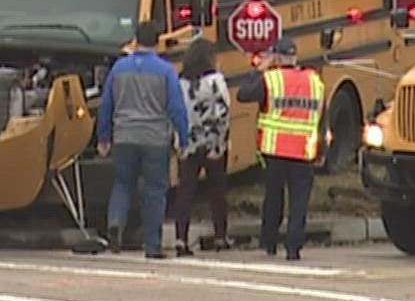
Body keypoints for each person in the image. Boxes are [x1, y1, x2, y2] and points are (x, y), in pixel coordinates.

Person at [97, 21, 189, 259]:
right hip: (154, 138)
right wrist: (184, 140)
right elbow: (177, 108)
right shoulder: (166, 71)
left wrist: (104, 137)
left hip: (124, 135)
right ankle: (152, 245)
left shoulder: (118, 69)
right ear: (157, 41)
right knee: (154, 191)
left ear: (135, 39)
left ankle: (116, 222)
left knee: (122, 184)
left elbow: (106, 104)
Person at [235, 36, 325, 261]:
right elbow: (321, 117)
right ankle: (293, 247)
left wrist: (259, 69)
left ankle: (269, 242)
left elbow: (243, 94)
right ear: (295, 56)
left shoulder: (271, 80)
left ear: (276, 56)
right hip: (303, 151)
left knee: (274, 197)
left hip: (274, 150)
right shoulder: (314, 81)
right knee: (299, 201)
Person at [173, 37, 232, 257]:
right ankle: (220, 235)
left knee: (185, 191)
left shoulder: (180, 82)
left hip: (188, 142)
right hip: (212, 142)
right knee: (217, 191)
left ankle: (181, 238)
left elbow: (175, 112)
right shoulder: (215, 80)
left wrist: (178, 141)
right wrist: (219, 143)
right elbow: (223, 112)